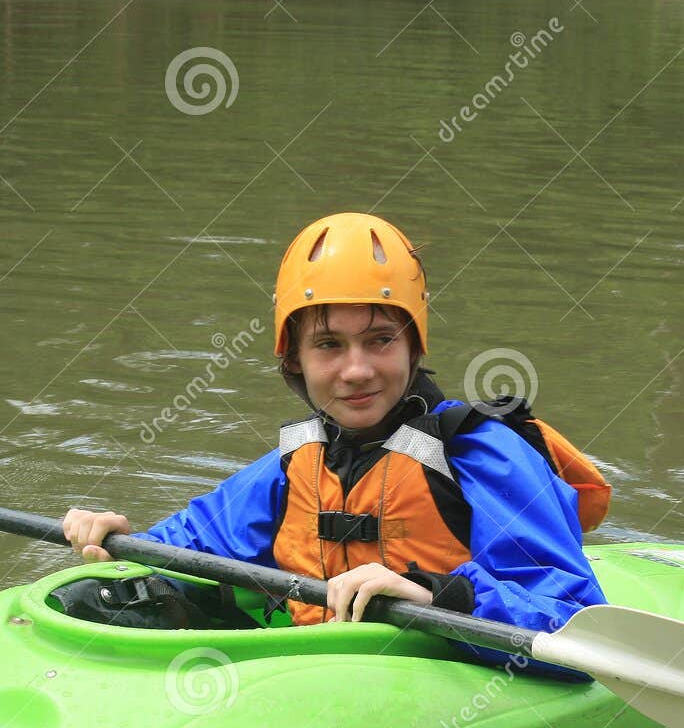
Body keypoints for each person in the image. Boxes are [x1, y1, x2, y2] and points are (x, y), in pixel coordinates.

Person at [62, 212, 606, 653]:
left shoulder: (482, 455)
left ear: (415, 347)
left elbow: (578, 630)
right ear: (294, 360)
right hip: (319, 674)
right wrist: (117, 540)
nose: (356, 370)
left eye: (380, 340)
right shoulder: (299, 459)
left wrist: (436, 596)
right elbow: (182, 546)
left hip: (450, 680)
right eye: (328, 346)